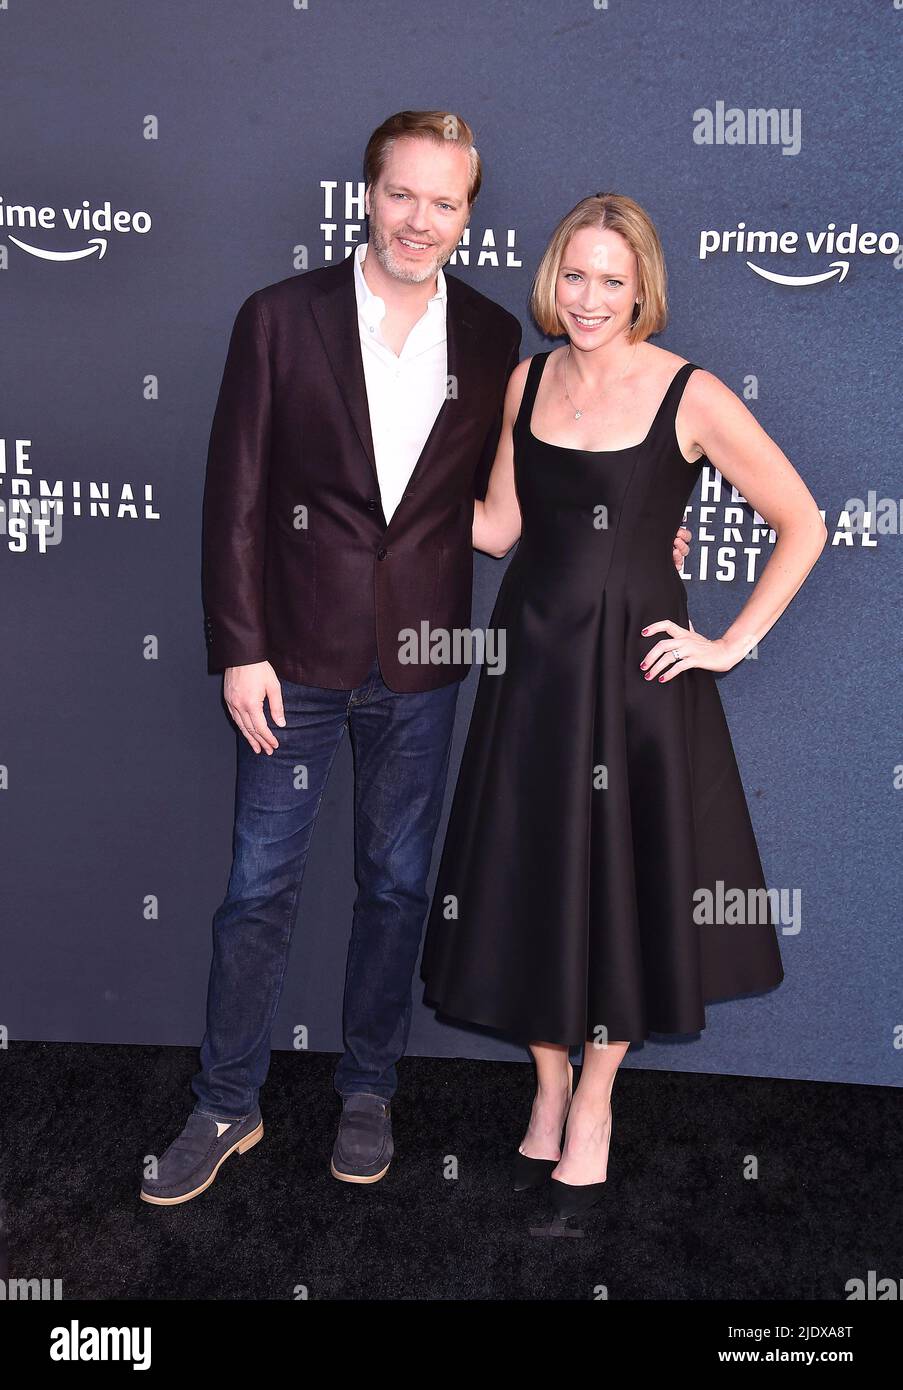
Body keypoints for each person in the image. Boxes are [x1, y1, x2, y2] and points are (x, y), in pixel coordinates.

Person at [139, 120, 693, 1206]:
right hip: (290, 658)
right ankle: (225, 1101)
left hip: (424, 660)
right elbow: (233, 496)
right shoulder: (279, 317)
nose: (420, 221)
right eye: (403, 197)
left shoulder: (493, 340)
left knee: (396, 887)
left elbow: (518, 498)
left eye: (445, 205)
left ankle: (370, 1089)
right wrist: (239, 648)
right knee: (257, 891)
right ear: (368, 195)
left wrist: (638, 527)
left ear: (469, 217)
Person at [421, 192, 827, 1220]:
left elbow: (803, 520)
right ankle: (549, 1081)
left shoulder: (689, 393)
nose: (590, 298)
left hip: (637, 688)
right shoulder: (525, 380)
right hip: (532, 673)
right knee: (528, 879)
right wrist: (382, 478)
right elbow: (500, 528)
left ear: (643, 288)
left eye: (612, 279)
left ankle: (598, 1096)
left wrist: (729, 643)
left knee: (622, 887)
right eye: (574, 275)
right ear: (552, 279)